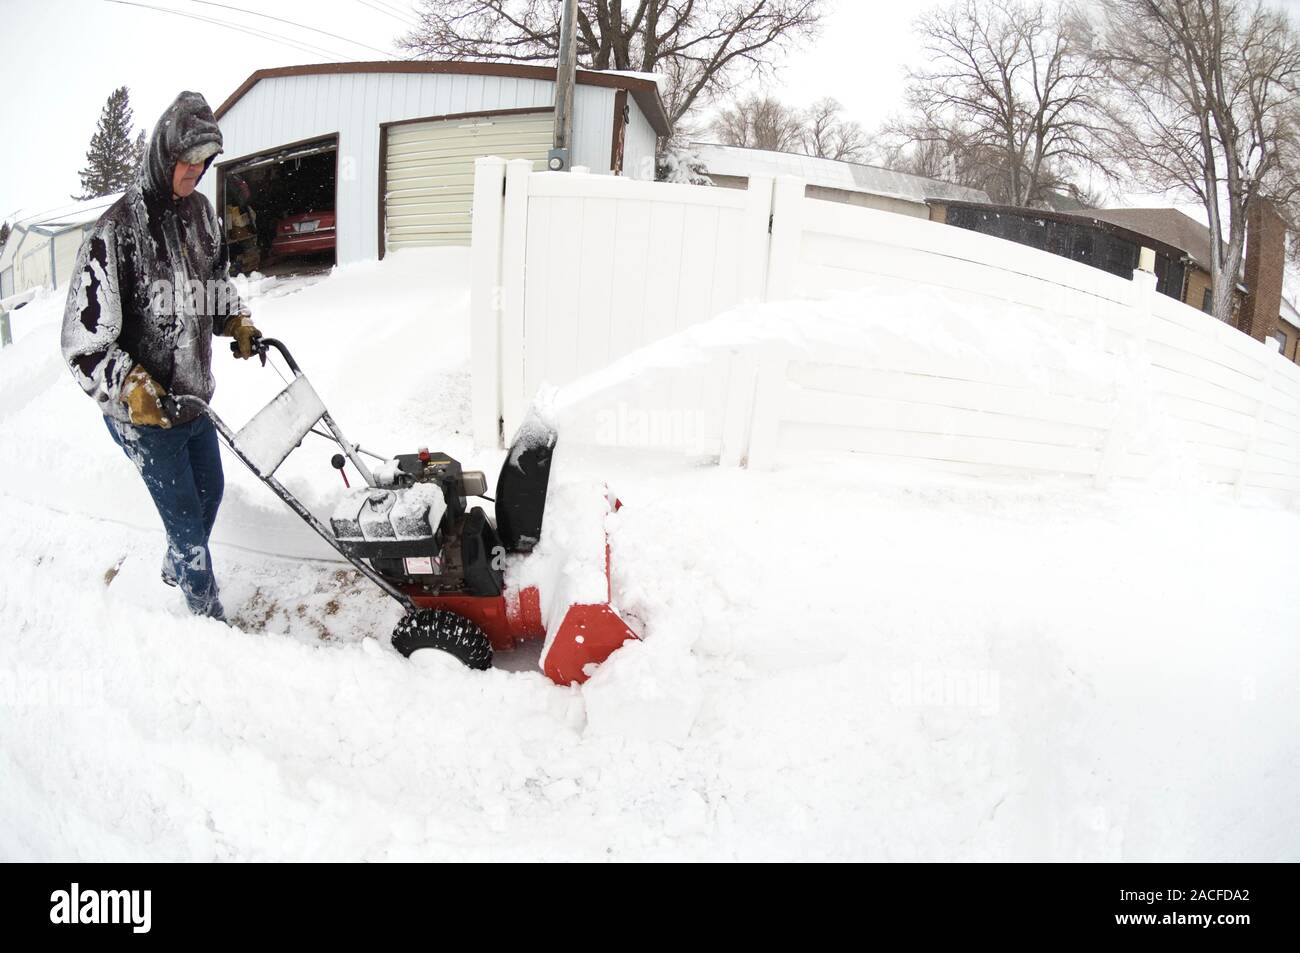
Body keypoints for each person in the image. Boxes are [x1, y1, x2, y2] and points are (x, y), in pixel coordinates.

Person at [62, 91, 262, 621]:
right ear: (163, 154)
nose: (196, 172)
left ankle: (177, 563)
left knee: (211, 493)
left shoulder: (199, 214)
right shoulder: (115, 230)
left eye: (204, 161)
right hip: (144, 414)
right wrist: (131, 387)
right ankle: (208, 618)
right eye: (187, 160)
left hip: (192, 398)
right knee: (188, 526)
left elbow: (213, 281)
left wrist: (234, 321)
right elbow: (84, 346)